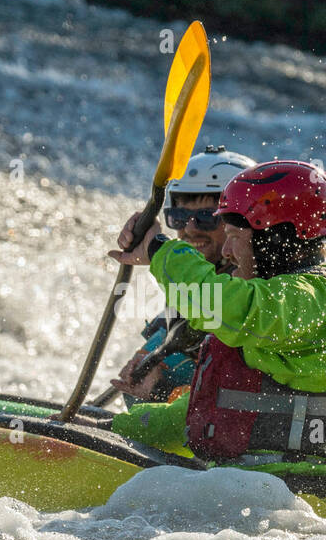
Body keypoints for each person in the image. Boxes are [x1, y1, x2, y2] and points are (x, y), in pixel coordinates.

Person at [105, 160, 326, 472]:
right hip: (262, 492)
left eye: (234, 235)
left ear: (274, 240)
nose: (226, 252)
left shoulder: (313, 301)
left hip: (298, 500)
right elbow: (209, 411)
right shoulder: (284, 309)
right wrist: (118, 428)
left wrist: (157, 249)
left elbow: (221, 303)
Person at [109, 146, 256, 405]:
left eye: (207, 218)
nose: (190, 229)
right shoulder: (190, 285)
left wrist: (161, 395)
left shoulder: (252, 285)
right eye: (178, 217)